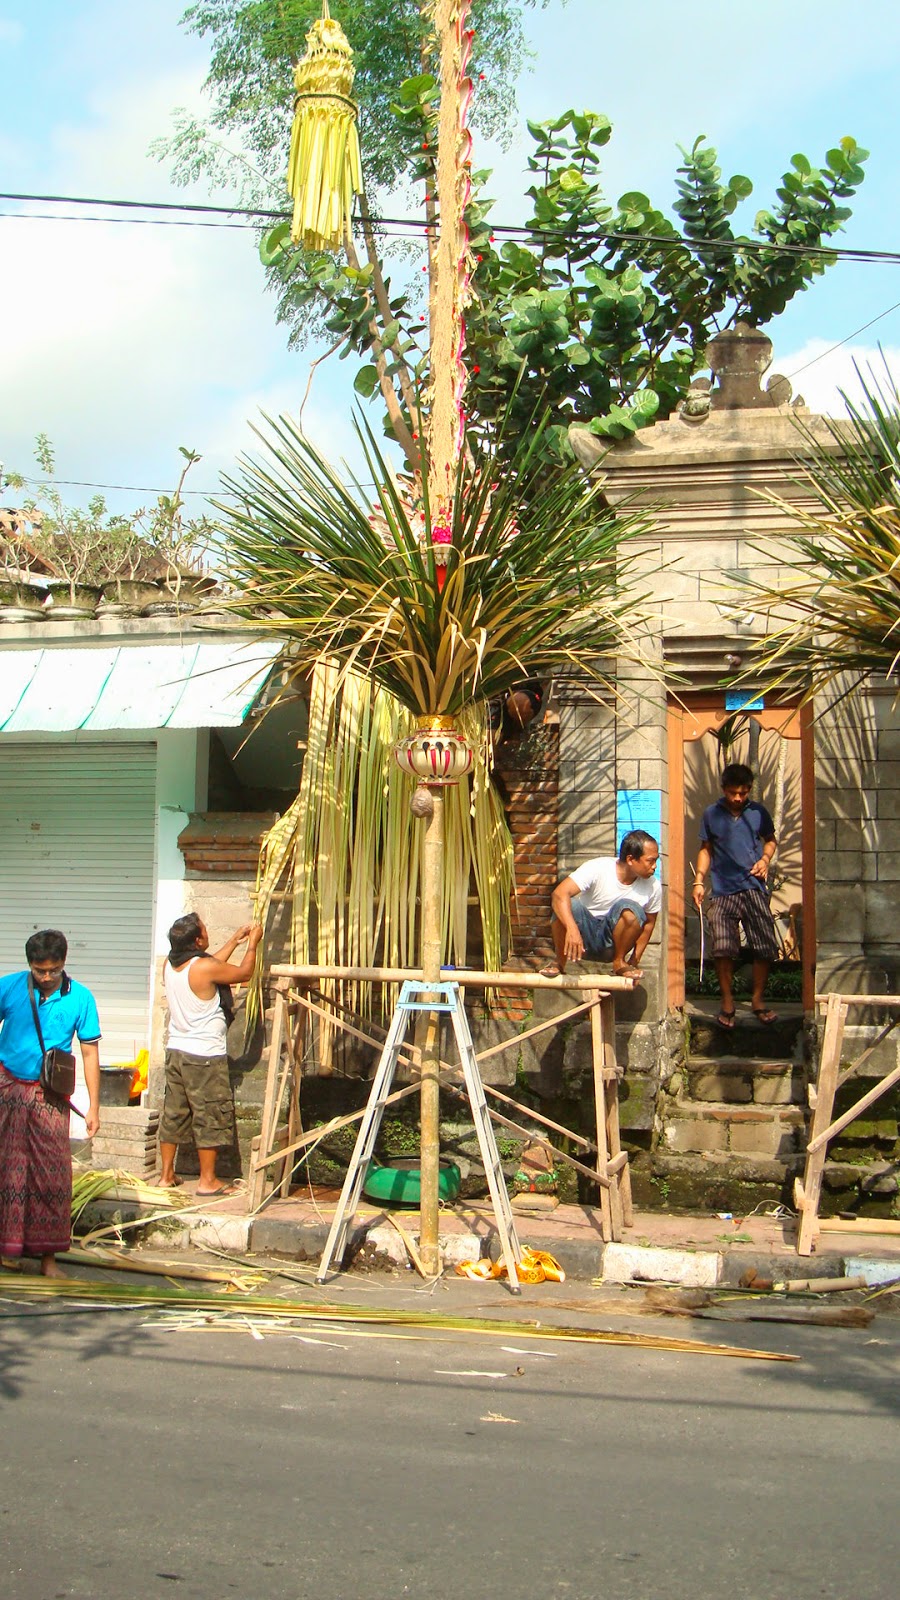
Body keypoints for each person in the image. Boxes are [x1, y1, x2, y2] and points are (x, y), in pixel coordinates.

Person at [0, 929, 101, 1277]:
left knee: (51, 1178)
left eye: (53, 970)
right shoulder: (9, 987)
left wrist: (94, 1107)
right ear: (29, 964)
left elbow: (90, 1053)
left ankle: (48, 1260)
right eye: (39, 970)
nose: (46, 977)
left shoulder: (81, 998)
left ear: (64, 963)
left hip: (51, 1098)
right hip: (7, 1091)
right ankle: (8, 1251)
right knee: (9, 1174)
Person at [156, 914, 263, 1196]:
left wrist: (234, 940)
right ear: (196, 941)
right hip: (204, 1056)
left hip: (177, 1051)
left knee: (174, 1112)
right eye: (204, 931)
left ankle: (166, 1176)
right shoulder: (203, 968)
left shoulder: (171, 964)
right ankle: (208, 1181)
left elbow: (210, 964)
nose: (207, 934)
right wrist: (252, 944)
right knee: (209, 1115)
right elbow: (243, 973)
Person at [691, 763, 779, 1028]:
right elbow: (705, 849)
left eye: (743, 793)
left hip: (753, 887)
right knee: (723, 949)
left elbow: (771, 840)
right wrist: (698, 881)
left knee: (764, 946)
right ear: (723, 789)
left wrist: (765, 860)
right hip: (722, 890)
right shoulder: (711, 814)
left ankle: (757, 1000)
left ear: (749, 790)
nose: (738, 798)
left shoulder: (758, 812)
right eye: (733, 793)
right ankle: (727, 1001)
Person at [543, 830, 661, 978]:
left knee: (629, 908)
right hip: (581, 940)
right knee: (569, 904)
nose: (654, 866)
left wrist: (634, 961)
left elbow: (649, 924)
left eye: (656, 860)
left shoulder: (653, 886)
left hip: (611, 946)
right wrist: (572, 929)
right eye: (650, 861)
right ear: (631, 859)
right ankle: (559, 962)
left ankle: (619, 963)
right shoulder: (598, 868)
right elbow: (559, 894)